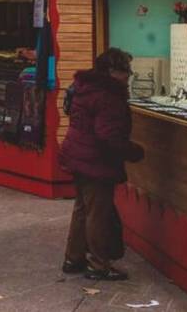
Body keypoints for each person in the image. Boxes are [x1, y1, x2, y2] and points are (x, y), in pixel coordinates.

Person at [59, 47, 144, 281]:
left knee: (82, 209)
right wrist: (134, 152)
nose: (129, 75)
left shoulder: (86, 87)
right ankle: (98, 264)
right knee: (98, 212)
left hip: (77, 155)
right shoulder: (109, 96)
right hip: (95, 161)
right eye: (125, 70)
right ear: (112, 71)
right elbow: (109, 136)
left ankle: (73, 258)